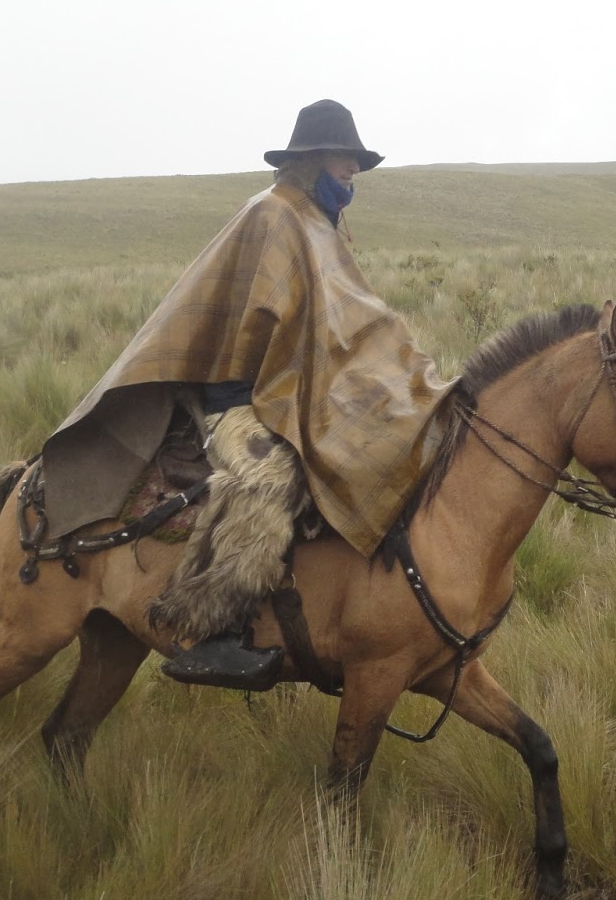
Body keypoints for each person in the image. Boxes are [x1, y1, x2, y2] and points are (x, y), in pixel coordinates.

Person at [38, 100, 456, 689]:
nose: (354, 170)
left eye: (358, 162)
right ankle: (214, 628)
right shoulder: (273, 215)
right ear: (313, 158)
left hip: (291, 393)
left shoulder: (319, 223)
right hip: (236, 400)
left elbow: (347, 326)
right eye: (345, 158)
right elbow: (264, 330)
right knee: (271, 478)